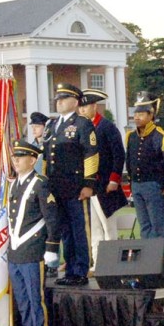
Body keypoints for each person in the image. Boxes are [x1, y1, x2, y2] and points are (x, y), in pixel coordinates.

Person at [6, 139, 62, 326]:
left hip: (32, 249)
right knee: (21, 300)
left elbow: (52, 218)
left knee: (34, 298)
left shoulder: (40, 183)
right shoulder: (13, 184)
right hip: (16, 252)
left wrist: (51, 248)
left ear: (33, 159)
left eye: (20, 157)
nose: (16, 161)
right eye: (14, 157)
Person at [42, 83, 99, 286]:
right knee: (64, 229)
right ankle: (70, 267)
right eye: (57, 99)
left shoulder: (82, 124)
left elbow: (91, 154)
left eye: (64, 99)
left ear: (75, 101)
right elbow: (47, 156)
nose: (59, 102)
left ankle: (80, 269)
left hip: (76, 187)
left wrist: (88, 184)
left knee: (79, 229)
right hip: (56, 186)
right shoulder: (52, 125)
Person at [78, 88, 126, 272]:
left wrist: (114, 179)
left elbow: (118, 154)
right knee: (94, 228)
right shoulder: (83, 128)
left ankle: (111, 264)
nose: (81, 111)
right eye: (80, 107)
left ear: (94, 106)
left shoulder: (106, 127)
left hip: (105, 184)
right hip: (90, 185)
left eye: (85, 107)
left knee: (109, 227)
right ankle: (97, 263)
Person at [124, 92, 164, 240]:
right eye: (135, 113)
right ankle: (148, 258)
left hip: (154, 185)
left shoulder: (162, 136)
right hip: (137, 185)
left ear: (151, 115)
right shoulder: (131, 136)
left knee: (158, 225)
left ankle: (161, 260)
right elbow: (129, 160)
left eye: (141, 113)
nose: (137, 117)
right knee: (144, 225)